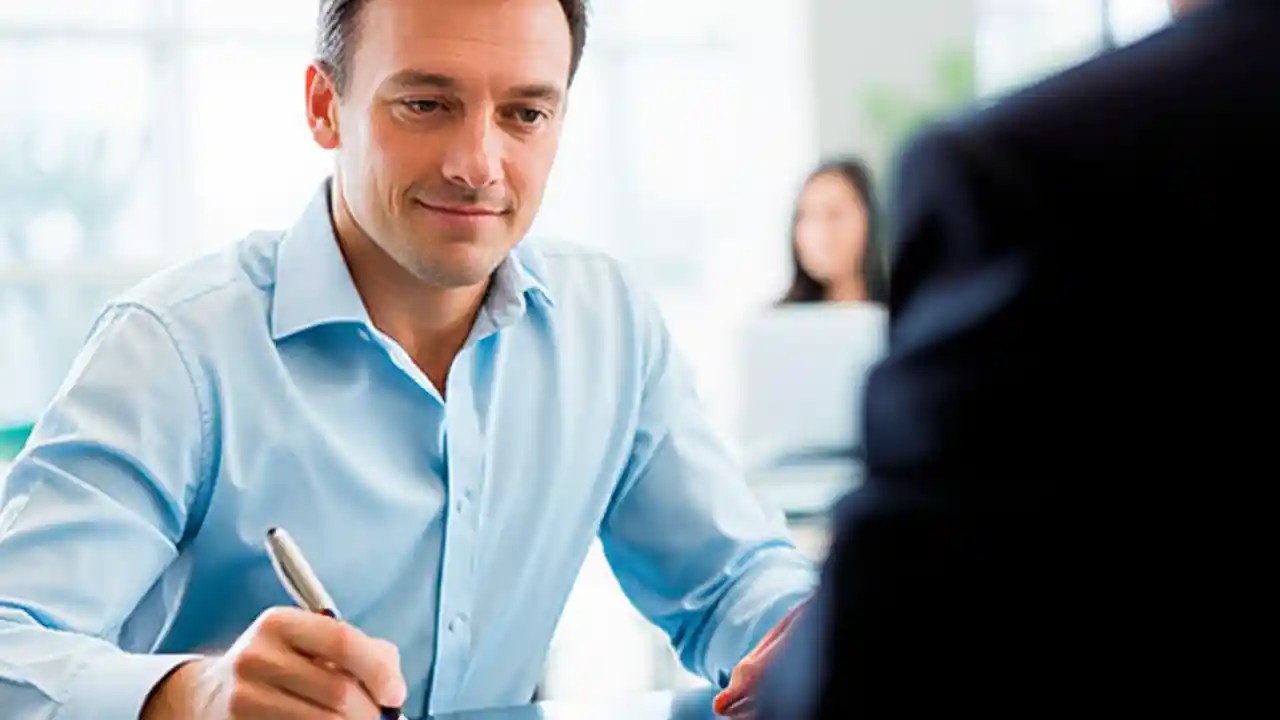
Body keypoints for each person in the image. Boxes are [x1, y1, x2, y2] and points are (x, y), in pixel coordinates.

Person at [0, 1, 816, 718]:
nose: (478, 164)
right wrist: (191, 698)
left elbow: (730, 583)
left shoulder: (608, 326)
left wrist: (810, 637)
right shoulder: (174, 348)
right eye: (426, 103)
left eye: (526, 114)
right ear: (326, 106)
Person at [743, 0, 1279, 716]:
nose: (819, 232)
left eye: (837, 212)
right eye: (809, 214)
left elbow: (884, 657)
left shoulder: (1027, 173)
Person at [780, 158, 889, 306]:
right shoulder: (779, 323)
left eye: (834, 214)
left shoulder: (907, 314)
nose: (819, 230)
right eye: (807, 215)